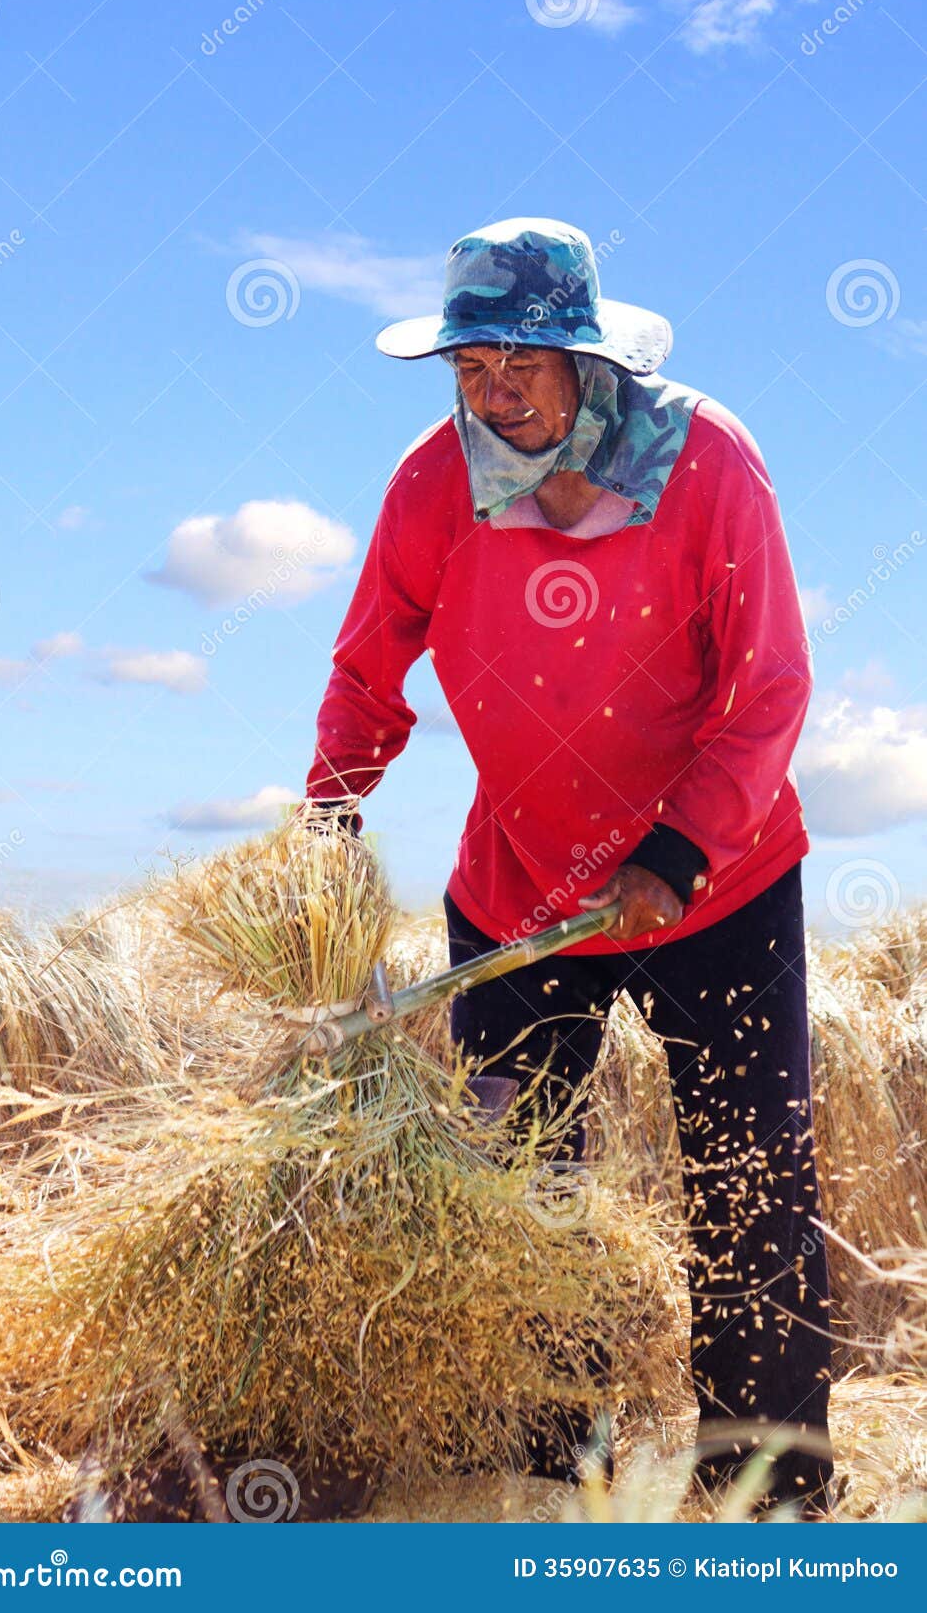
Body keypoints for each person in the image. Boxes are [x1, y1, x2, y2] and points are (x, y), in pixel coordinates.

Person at [305, 217, 833, 1513]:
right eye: (468, 363)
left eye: (520, 361)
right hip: (520, 892)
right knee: (522, 1200)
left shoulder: (705, 463)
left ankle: (765, 1493)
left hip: (719, 879)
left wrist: (676, 846)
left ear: (585, 358)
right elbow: (371, 660)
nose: (493, 390)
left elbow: (769, 688)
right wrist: (329, 811)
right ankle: (559, 1485)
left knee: (745, 1172)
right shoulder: (434, 484)